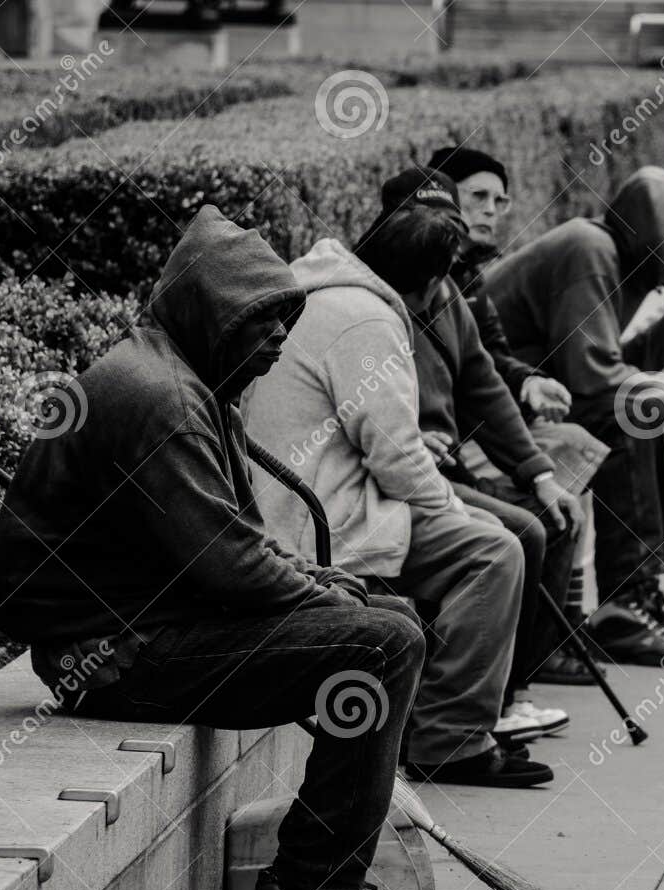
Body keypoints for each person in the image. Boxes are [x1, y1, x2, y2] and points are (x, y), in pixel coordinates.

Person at [0, 205, 438, 890]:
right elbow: (229, 565)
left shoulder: (187, 377)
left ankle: (324, 868)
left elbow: (244, 538)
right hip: (115, 658)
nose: (280, 343)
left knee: (393, 621)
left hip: (152, 627)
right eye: (265, 325)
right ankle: (314, 888)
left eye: (287, 324)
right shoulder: (161, 397)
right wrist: (321, 591)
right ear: (215, 314)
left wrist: (321, 582)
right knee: (383, 647)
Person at [243, 177, 553, 790]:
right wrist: (460, 516)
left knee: (492, 534)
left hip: (305, 498)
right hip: (314, 519)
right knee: (495, 552)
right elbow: (398, 459)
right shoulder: (366, 320)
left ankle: (435, 719)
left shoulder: (324, 288)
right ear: (434, 281)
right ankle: (450, 739)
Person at [488, 166, 664, 667]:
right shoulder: (590, 249)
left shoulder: (621, 262)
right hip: (496, 409)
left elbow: (608, 371)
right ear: (662, 230)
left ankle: (640, 595)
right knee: (632, 416)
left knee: (637, 409)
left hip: (536, 401)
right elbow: (597, 379)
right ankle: (627, 604)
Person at [369, 166, 581, 741]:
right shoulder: (372, 300)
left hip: (440, 472)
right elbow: (370, 424)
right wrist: (412, 441)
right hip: (395, 483)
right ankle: (459, 717)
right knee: (518, 535)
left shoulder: (450, 294)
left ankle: (509, 693)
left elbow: (485, 386)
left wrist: (539, 473)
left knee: (549, 515)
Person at [428, 145, 611, 689]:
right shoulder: (427, 282)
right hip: (447, 451)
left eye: (501, 200)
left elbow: (491, 362)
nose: (491, 210)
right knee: (546, 512)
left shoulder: (470, 280)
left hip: (476, 436)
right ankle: (527, 668)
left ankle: (567, 627)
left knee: (580, 455)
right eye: (478, 197)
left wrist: (529, 381)